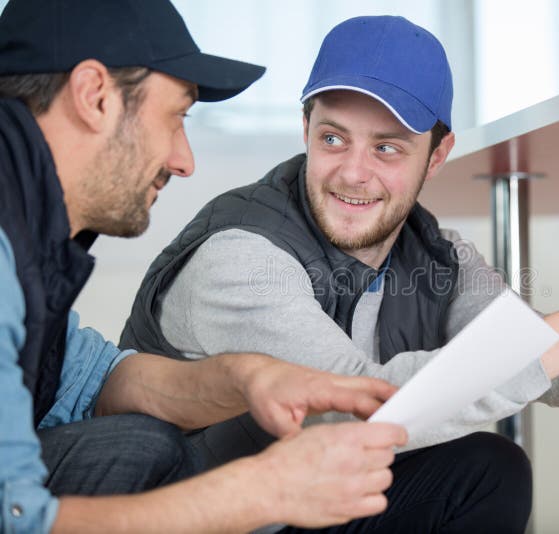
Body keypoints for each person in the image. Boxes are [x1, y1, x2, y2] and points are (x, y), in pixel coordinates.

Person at [120, 15, 559, 533]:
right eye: (333, 138)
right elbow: (364, 408)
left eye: (388, 147)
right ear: (304, 129)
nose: (353, 172)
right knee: (475, 464)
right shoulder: (240, 255)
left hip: (304, 509)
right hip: (204, 520)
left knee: (485, 470)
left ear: (437, 155)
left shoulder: (433, 252)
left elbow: (539, 358)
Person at [0, 2, 411, 533]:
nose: (184, 160)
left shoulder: (25, 222)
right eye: (177, 116)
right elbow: (16, 519)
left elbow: (84, 380)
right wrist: (265, 491)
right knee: (145, 452)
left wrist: (250, 377)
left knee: (138, 445)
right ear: (94, 96)